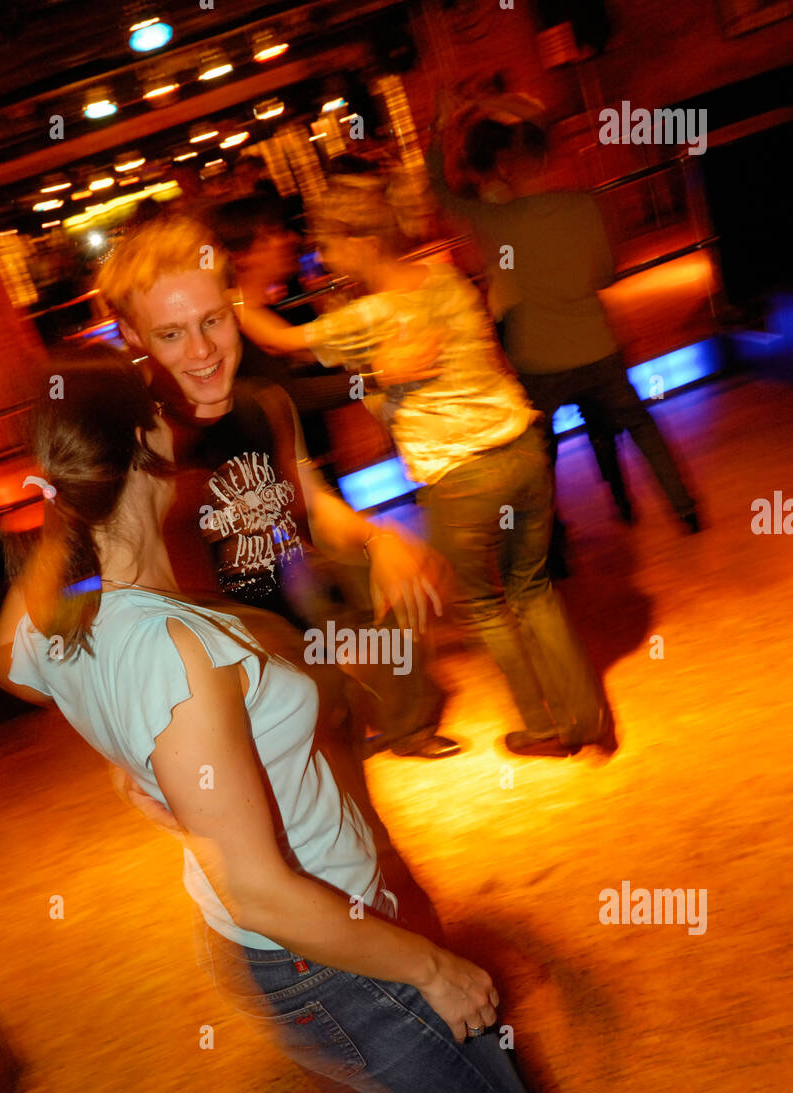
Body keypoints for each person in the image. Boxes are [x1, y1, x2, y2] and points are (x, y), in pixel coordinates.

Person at [0, 348, 635, 1093]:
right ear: (146, 442)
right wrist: (430, 964)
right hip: (321, 950)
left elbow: (7, 659)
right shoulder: (177, 649)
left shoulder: (56, 625)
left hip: (271, 944)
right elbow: (263, 885)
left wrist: (68, 508)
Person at [238, 175, 612, 758]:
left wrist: (238, 297)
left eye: (329, 247)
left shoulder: (367, 315)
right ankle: (586, 718)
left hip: (460, 478)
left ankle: (546, 728)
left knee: (485, 605)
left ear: (362, 244)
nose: (323, 259)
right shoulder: (444, 275)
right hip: (523, 449)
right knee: (533, 589)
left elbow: (281, 340)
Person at [95, 215, 459, 761]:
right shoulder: (129, 449)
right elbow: (126, 602)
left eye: (212, 321)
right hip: (234, 717)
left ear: (233, 305)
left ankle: (402, 723)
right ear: (132, 336)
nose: (201, 352)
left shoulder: (263, 404)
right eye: (171, 334)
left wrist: (379, 541)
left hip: (306, 667)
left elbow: (308, 500)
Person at [426, 90, 702, 538]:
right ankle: (685, 509)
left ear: (504, 167)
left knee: (540, 454)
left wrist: (441, 132)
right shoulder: (584, 205)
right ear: (546, 157)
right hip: (597, 347)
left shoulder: (495, 220)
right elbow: (607, 273)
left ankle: (552, 543)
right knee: (639, 424)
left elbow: (440, 192)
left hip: (538, 359)